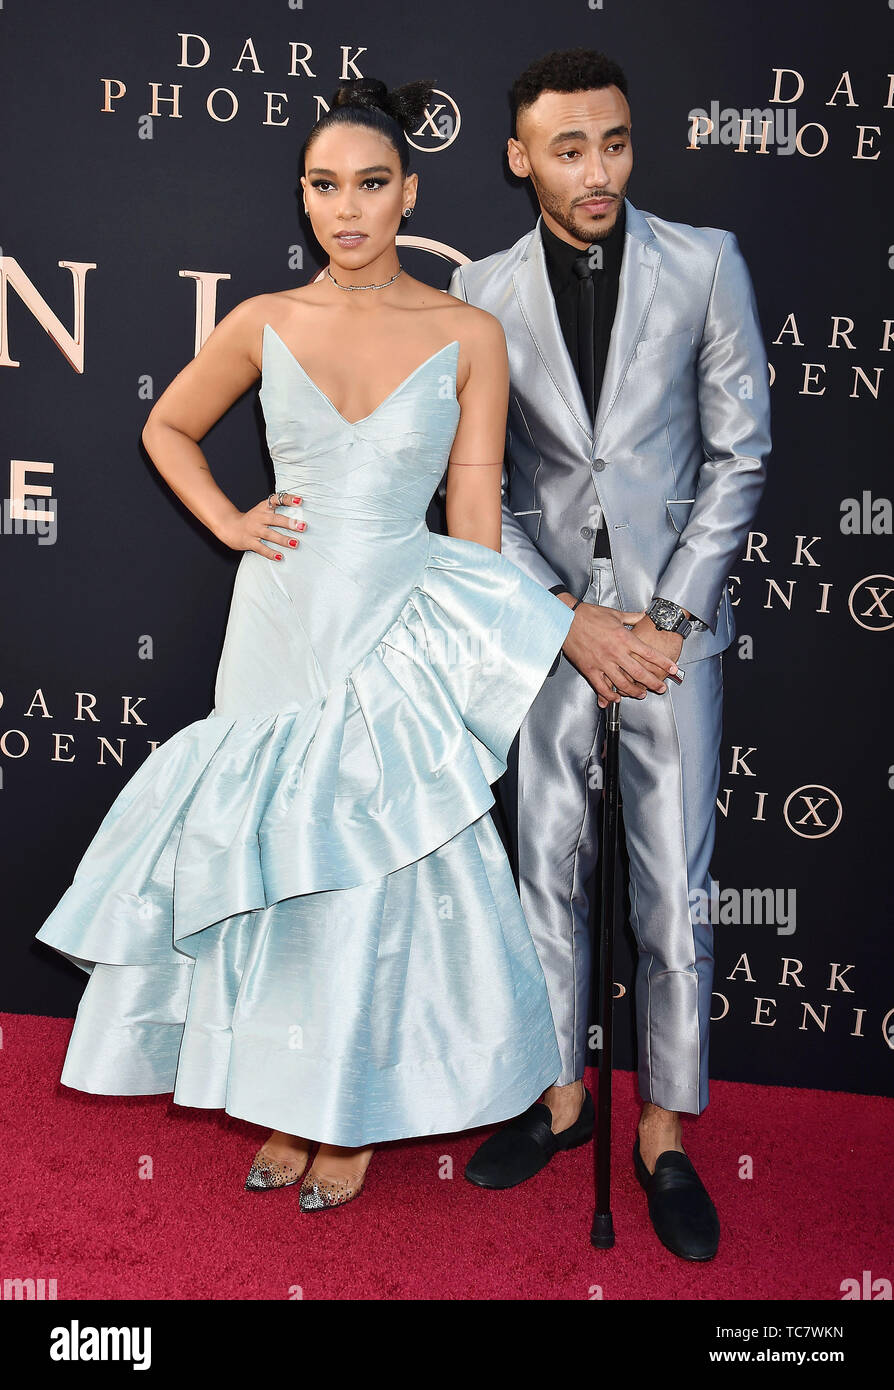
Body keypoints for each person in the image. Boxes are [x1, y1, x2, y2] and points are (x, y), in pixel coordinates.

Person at [36, 77, 667, 1213]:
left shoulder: (467, 331)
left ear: (409, 192)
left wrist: (483, 653)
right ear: (305, 199)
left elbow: (475, 529)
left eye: (370, 184)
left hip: (400, 617)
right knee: (276, 866)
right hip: (279, 617)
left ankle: (349, 1116)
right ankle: (279, 1097)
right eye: (324, 185)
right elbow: (165, 425)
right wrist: (233, 521)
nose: (346, 207)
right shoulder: (263, 319)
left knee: (372, 874)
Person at [448, 48, 771, 1261]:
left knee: (671, 889)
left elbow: (741, 456)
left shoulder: (706, 263)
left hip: (674, 640)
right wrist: (563, 618)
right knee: (542, 870)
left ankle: (668, 1137)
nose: (597, 171)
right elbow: (482, 485)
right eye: (569, 148)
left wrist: (667, 621)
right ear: (519, 156)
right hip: (545, 636)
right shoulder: (478, 291)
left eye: (616, 143)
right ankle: (560, 1098)